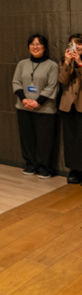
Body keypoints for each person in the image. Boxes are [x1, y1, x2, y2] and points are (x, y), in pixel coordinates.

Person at [12, 34, 59, 178]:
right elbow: (16, 82)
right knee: (27, 138)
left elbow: (52, 86)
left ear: (45, 47)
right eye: (32, 44)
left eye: (39, 44)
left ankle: (44, 168)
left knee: (45, 141)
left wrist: (38, 102)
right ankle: (30, 165)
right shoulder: (22, 64)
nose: (35, 47)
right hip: (24, 107)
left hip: (45, 109)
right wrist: (24, 100)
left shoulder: (52, 65)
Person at [59, 34, 82, 184]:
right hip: (68, 106)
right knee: (71, 140)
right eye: (73, 44)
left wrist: (79, 62)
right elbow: (63, 80)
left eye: (79, 44)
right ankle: (75, 170)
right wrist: (67, 62)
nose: (76, 47)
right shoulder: (64, 60)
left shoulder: (79, 61)